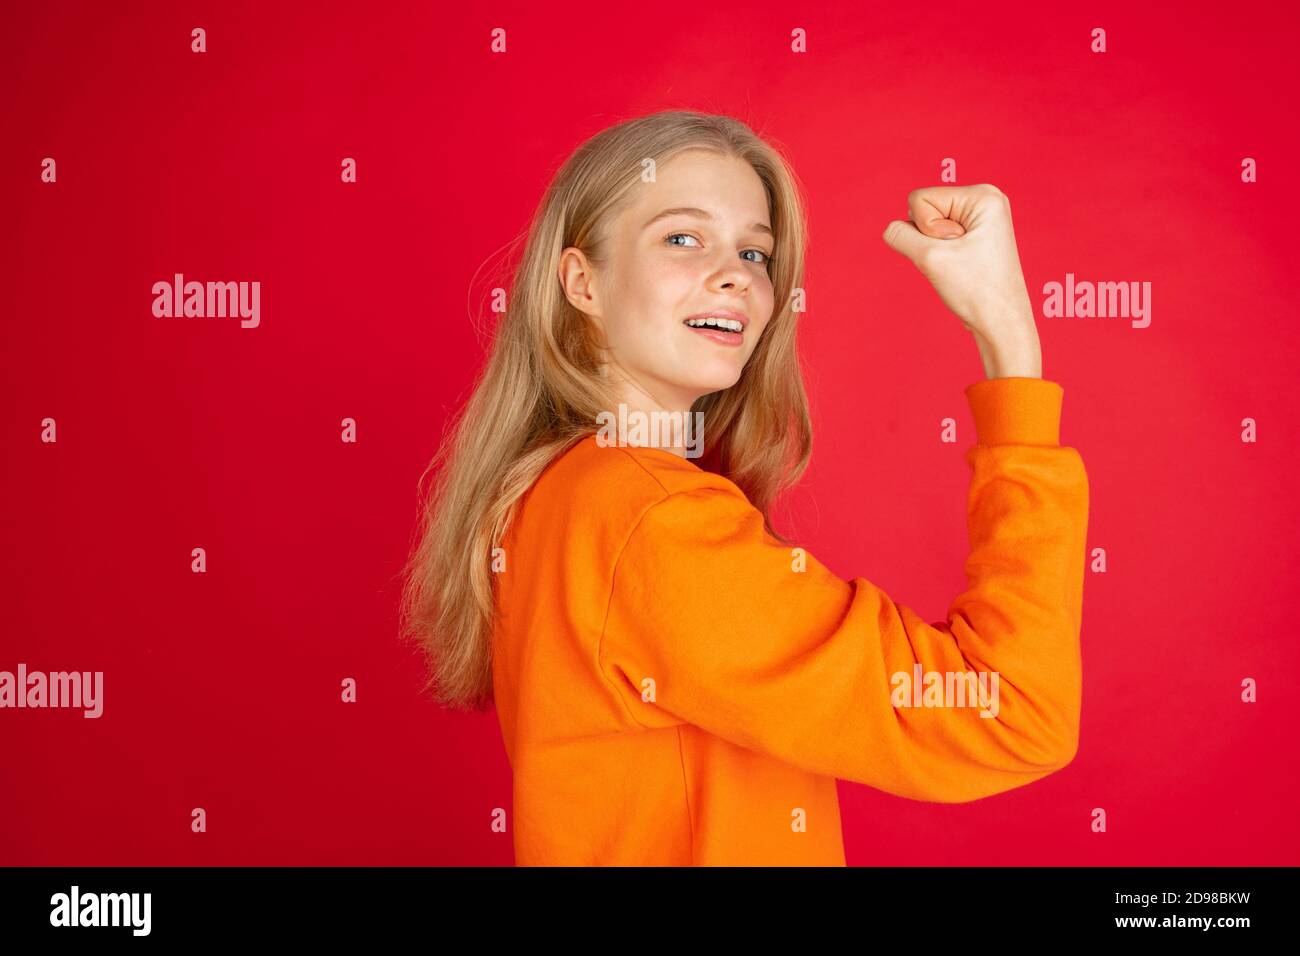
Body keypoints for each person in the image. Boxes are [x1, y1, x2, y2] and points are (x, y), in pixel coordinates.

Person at [399, 109, 1090, 866]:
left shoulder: (561, 493)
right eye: (683, 238)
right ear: (581, 282)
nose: (735, 273)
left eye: (755, 253)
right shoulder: (653, 521)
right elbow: (1011, 713)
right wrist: (1010, 340)